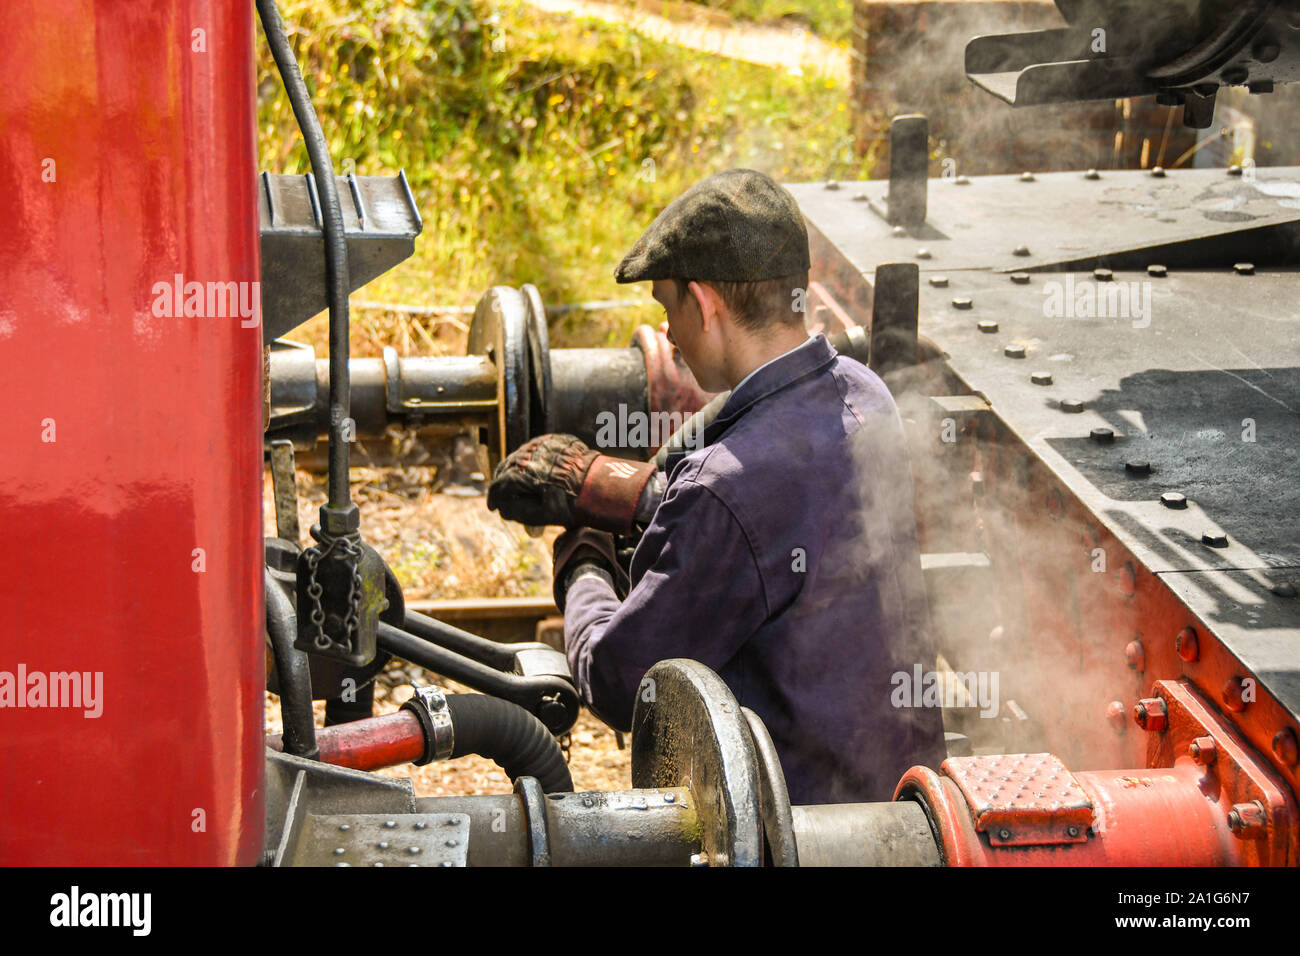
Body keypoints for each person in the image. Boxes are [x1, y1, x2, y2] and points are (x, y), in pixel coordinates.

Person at [488, 169, 945, 803]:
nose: (669, 333)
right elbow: (779, 507)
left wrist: (583, 568)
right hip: (901, 807)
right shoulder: (866, 396)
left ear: (704, 303)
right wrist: (644, 498)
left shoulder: (726, 494)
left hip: (798, 832)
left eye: (667, 307)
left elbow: (620, 681)